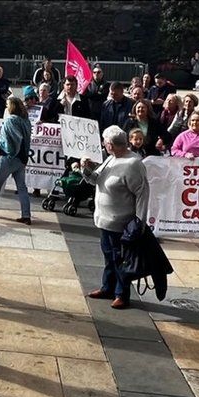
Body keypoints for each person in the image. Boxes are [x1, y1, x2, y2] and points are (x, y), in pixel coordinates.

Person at [74, 125, 149, 310]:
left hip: (120, 222)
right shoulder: (112, 158)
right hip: (104, 220)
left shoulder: (133, 163)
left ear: (111, 145)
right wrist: (85, 169)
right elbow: (95, 180)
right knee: (109, 257)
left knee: (120, 259)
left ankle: (121, 294)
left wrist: (140, 222)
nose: (103, 145)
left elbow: (142, 193)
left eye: (105, 143)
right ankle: (107, 287)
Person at [0, 97, 31, 223]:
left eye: (7, 104)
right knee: (22, 187)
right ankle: (26, 215)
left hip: (8, 157)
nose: (6, 106)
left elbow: (9, 143)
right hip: (22, 159)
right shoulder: (25, 120)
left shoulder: (10, 121)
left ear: (12, 106)